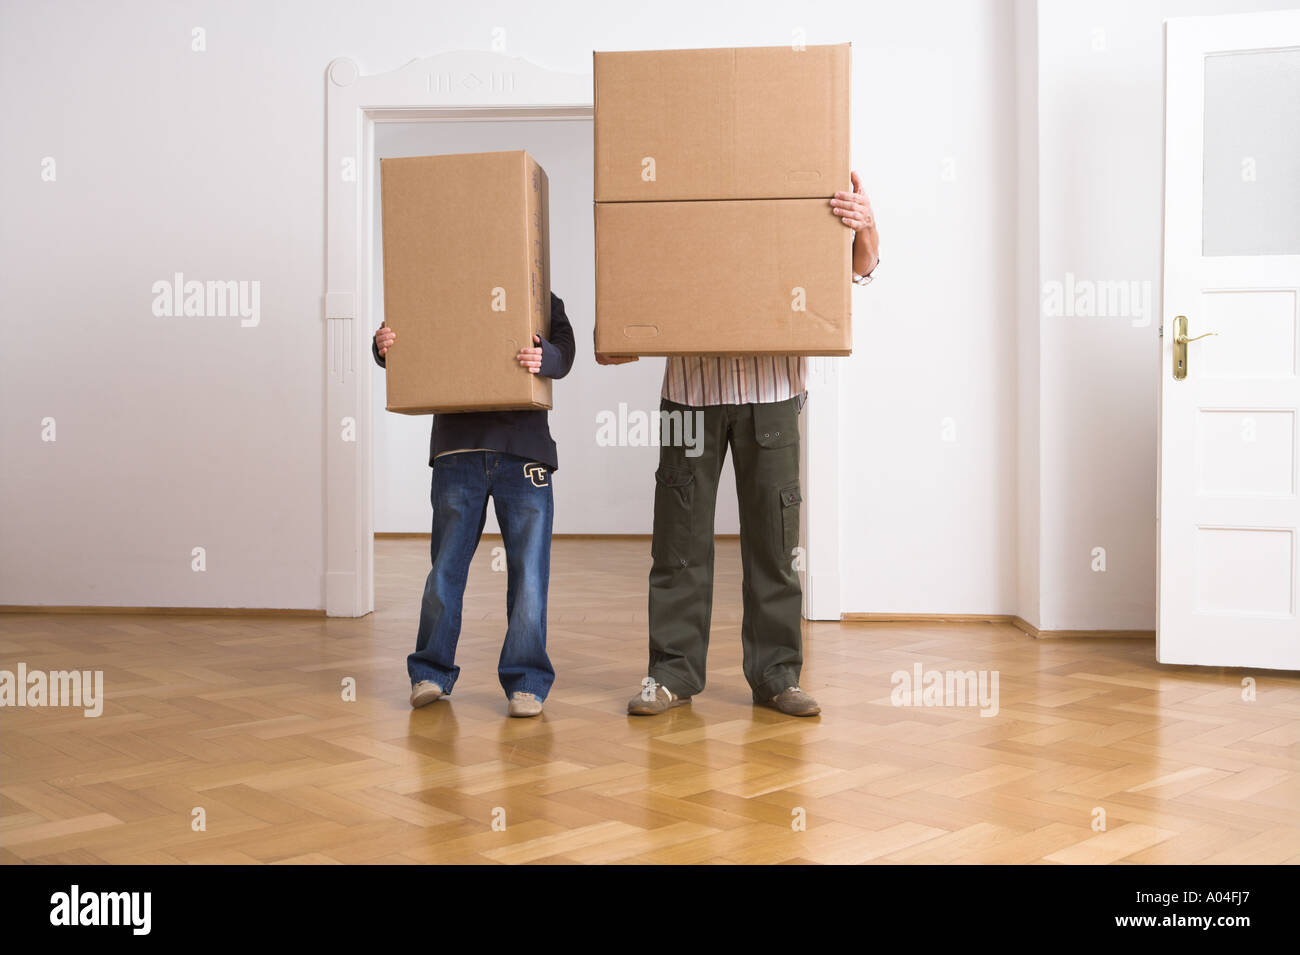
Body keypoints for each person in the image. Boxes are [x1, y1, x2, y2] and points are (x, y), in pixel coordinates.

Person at [600, 172, 880, 718]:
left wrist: (864, 224)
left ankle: (778, 676)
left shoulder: (801, 177)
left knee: (775, 545)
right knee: (679, 542)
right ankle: (671, 673)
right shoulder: (676, 184)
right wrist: (616, 331)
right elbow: (632, 275)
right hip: (690, 394)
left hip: (771, 394)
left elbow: (860, 268)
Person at [373, 292, 575, 717]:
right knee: (445, 568)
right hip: (456, 448)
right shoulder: (444, 281)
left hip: (523, 451)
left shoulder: (535, 288)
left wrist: (547, 358)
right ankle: (430, 672)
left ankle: (527, 681)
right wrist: (382, 346)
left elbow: (565, 351)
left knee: (529, 574)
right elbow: (407, 338)